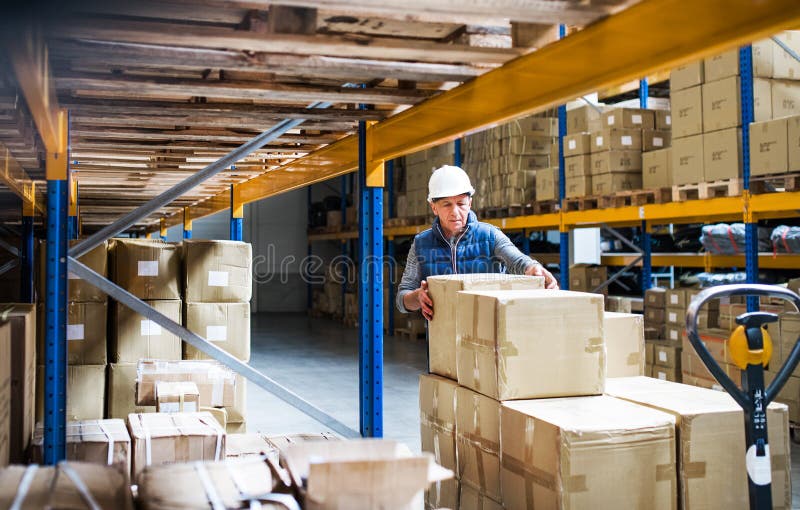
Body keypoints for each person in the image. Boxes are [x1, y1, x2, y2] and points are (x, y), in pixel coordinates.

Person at [397, 165, 558, 320]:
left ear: (470, 203)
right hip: (443, 337)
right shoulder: (421, 244)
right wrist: (418, 297)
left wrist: (534, 268)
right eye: (447, 204)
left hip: (488, 335)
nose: (455, 212)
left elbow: (518, 261)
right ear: (434, 207)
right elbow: (402, 299)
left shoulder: (490, 235)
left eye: (461, 204)